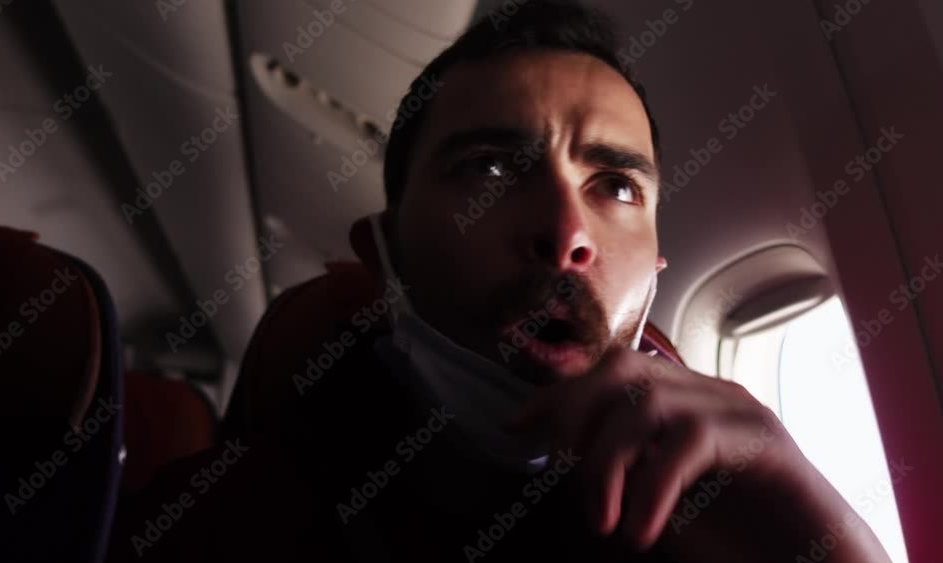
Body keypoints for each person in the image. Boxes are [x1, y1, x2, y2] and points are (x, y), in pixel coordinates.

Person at [115, 2, 892, 561]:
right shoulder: (221, 520)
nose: (567, 232)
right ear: (387, 252)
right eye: (490, 169)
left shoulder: (727, 519)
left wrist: (831, 542)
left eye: (617, 186)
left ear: (658, 264)